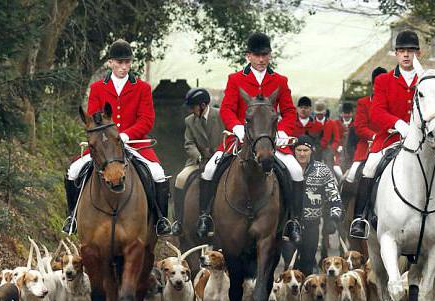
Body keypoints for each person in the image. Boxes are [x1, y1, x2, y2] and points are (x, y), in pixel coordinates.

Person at [349, 30, 435, 243]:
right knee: (369, 166)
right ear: (395, 54)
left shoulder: (430, 79)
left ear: (419, 53)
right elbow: (376, 112)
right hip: (390, 139)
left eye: (411, 51)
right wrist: (398, 124)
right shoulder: (384, 81)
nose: (406, 55)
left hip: (429, 141)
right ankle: (360, 219)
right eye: (402, 51)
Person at [196, 32, 304, 244]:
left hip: (270, 141)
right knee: (209, 169)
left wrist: (282, 131)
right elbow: (227, 108)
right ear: (248, 56)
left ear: (270, 55)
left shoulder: (280, 80)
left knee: (296, 171)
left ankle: (294, 221)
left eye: (265, 55)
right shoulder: (235, 79)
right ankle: (205, 216)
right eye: (257, 55)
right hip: (240, 140)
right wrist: (236, 127)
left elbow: (290, 111)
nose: (261, 59)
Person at [63, 39, 171, 236]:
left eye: (127, 62)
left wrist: (127, 134)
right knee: (73, 171)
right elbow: (94, 118)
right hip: (104, 146)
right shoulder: (97, 88)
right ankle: (72, 217)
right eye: (119, 62)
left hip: (134, 143)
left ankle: (160, 220)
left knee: (158, 173)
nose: (123, 67)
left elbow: (147, 119)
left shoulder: (142, 88)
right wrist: (108, 137)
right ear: (110, 63)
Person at [283, 135, 342, 275]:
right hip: (289, 224)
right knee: (289, 264)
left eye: (305, 150)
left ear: (312, 151)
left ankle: (305, 294)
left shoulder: (322, 170)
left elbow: (334, 195)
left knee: (308, 264)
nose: (302, 154)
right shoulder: (285, 169)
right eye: (299, 150)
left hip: (312, 224)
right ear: (294, 151)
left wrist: (333, 217)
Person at [171, 88, 225, 235]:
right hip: (198, 161)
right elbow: (189, 143)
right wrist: (198, 156)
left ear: (202, 105)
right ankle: (179, 220)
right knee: (180, 179)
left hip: (222, 159)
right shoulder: (189, 121)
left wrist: (220, 154)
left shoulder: (220, 115)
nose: (191, 110)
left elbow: (228, 136)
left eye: (192, 106)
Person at [345, 67, 387, 184]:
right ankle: (349, 202)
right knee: (352, 176)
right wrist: (374, 136)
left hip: (389, 146)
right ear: (373, 86)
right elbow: (359, 127)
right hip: (366, 148)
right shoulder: (363, 103)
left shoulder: (392, 104)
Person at [323, 101, 355, 179]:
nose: (347, 115)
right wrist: (336, 147)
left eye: (349, 113)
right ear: (342, 113)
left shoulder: (355, 124)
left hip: (351, 151)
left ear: (352, 113)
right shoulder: (335, 123)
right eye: (345, 113)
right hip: (337, 152)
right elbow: (331, 138)